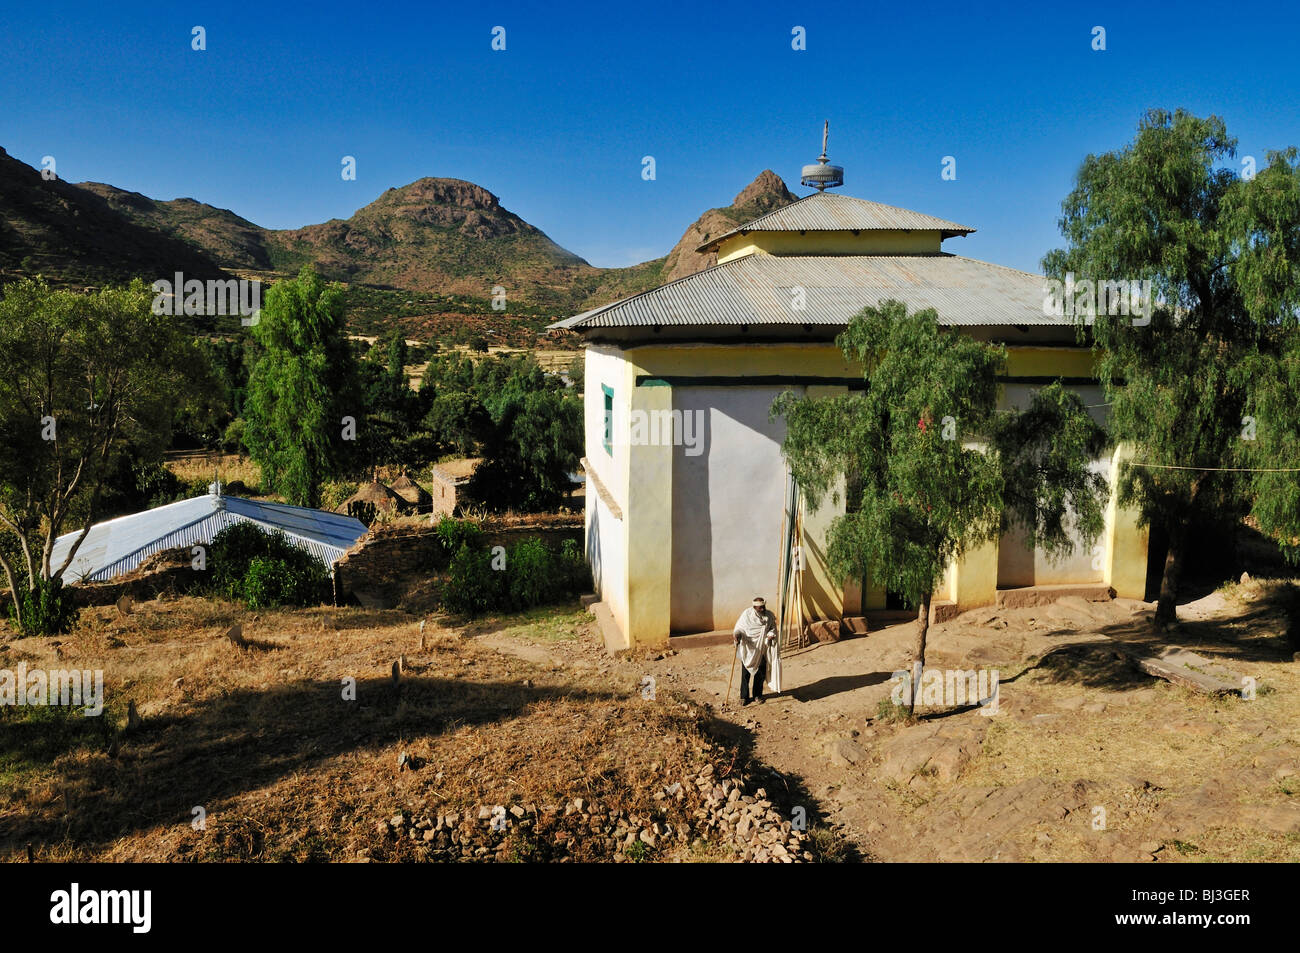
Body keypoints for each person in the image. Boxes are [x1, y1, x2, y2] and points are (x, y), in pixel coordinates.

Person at [733, 596, 779, 705]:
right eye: (760, 608)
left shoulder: (769, 615)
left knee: (760, 673)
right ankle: (744, 697)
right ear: (754, 607)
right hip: (748, 649)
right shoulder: (747, 615)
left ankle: (757, 695)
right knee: (745, 674)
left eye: (763, 607)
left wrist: (771, 634)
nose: (762, 609)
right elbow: (739, 628)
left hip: (762, 648)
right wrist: (737, 635)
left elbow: (772, 628)